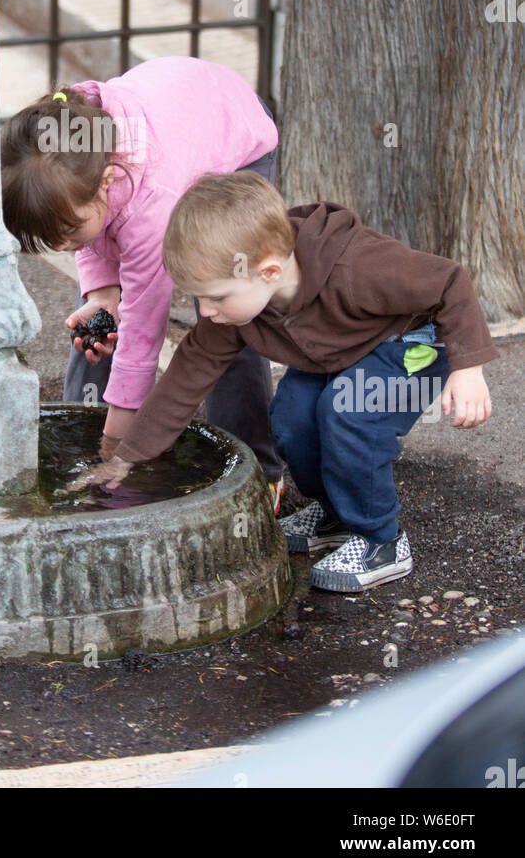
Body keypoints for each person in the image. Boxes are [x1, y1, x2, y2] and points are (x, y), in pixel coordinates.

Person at [70, 171, 497, 591]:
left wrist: (468, 368)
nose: (205, 312)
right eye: (197, 297)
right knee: (292, 418)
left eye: (216, 297)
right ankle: (334, 514)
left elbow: (449, 283)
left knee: (348, 417)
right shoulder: (237, 301)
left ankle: (380, 540)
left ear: (270, 272)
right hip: (344, 351)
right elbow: (184, 379)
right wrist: (127, 457)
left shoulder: (356, 267)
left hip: (411, 344)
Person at [0, 56, 286, 506]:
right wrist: (101, 293)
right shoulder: (72, 142)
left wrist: (117, 448)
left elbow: (144, 335)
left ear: (106, 181)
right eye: (50, 237)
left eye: (68, 233)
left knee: (228, 314)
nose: (62, 247)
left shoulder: (151, 204)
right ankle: (79, 437)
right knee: (99, 321)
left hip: (236, 139)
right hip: (169, 133)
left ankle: (257, 471)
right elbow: (94, 235)